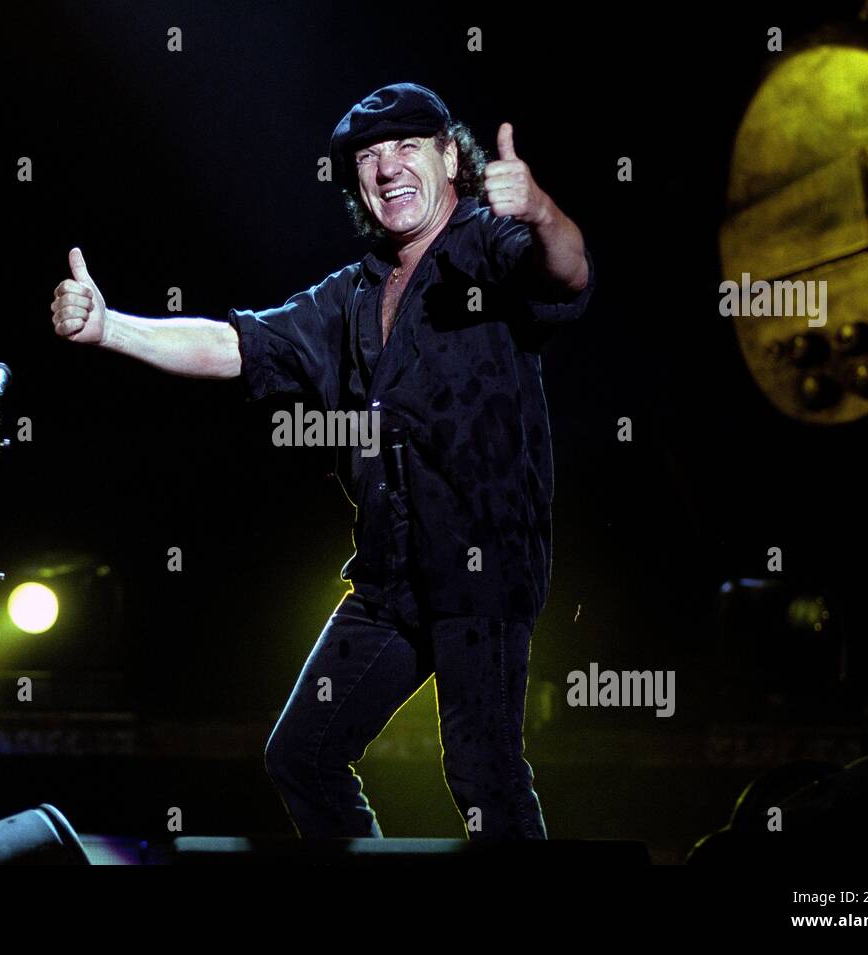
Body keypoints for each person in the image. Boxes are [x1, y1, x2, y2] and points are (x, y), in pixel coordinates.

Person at [49, 83, 593, 838]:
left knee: (482, 772)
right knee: (301, 753)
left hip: (482, 563)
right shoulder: (350, 294)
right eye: (368, 157)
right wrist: (111, 329)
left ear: (449, 155)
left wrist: (536, 208)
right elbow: (234, 344)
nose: (387, 168)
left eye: (406, 146)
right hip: (389, 575)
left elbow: (566, 270)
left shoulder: (488, 244)